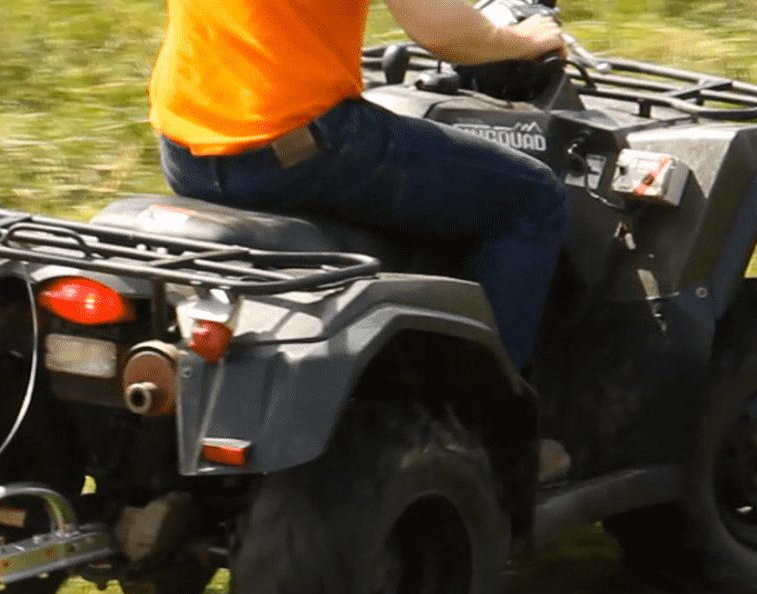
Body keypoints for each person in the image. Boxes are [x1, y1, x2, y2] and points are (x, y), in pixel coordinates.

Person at [150, 0, 570, 372]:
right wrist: (520, 41)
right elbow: (442, 32)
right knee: (532, 199)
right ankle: (488, 422)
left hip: (187, 149)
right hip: (295, 148)